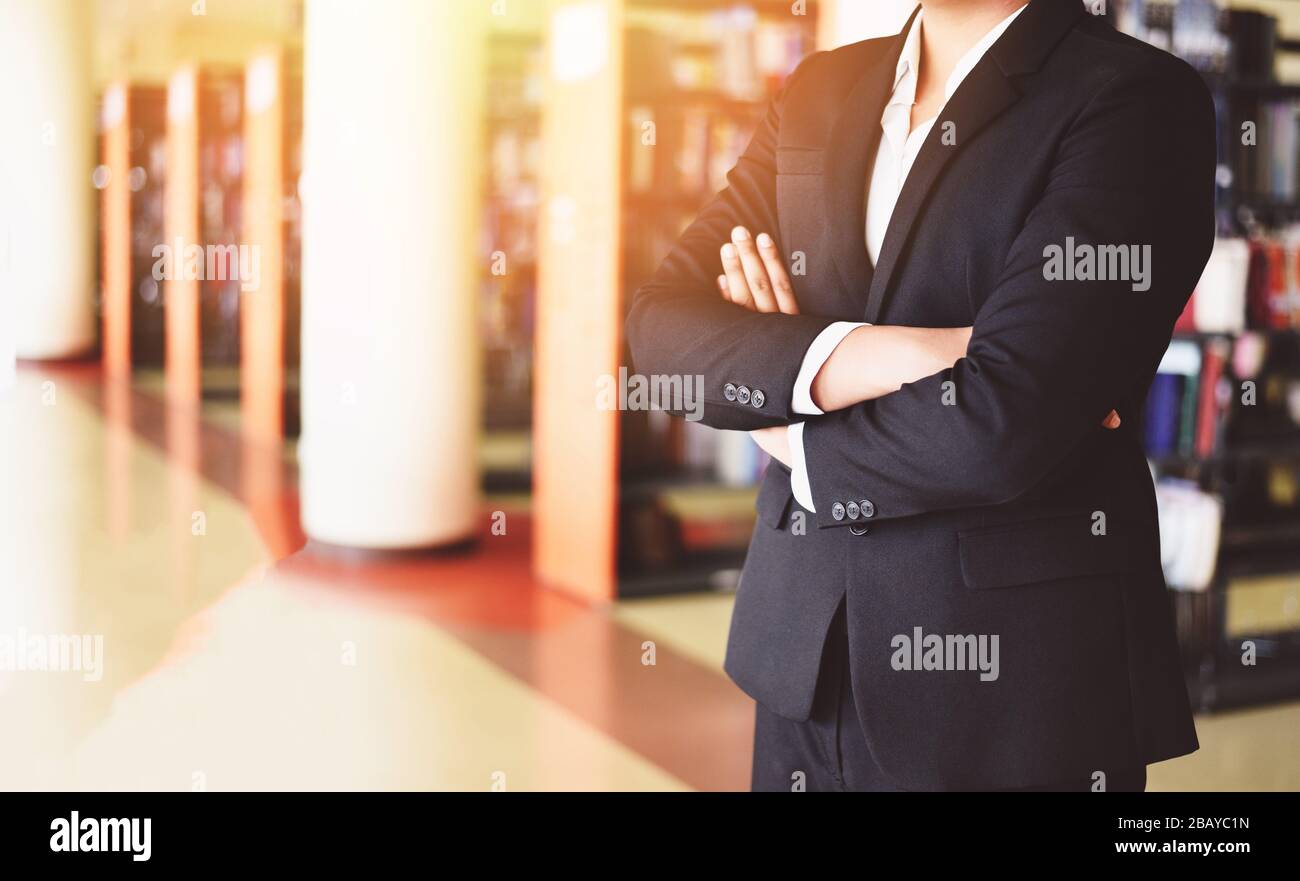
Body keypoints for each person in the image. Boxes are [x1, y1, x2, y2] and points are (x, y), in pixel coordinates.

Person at [625, 0, 1216, 791]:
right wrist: (920, 352)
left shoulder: (1135, 98)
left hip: (1008, 691)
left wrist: (792, 428)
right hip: (803, 652)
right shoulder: (821, 86)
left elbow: (1006, 418)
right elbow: (662, 329)